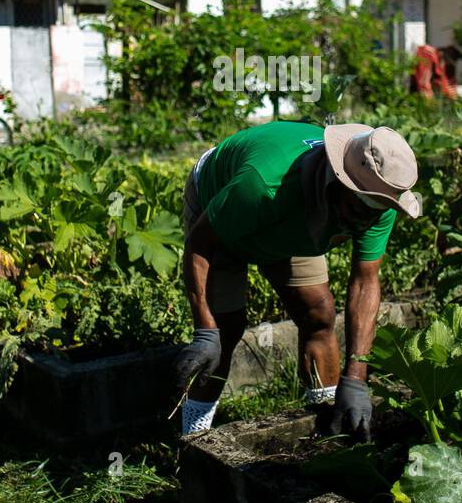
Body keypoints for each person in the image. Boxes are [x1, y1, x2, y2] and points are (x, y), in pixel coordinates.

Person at [174, 121, 421, 440]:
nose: (367, 221)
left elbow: (365, 281)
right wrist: (205, 330)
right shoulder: (263, 184)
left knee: (319, 315)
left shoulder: (378, 202)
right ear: (339, 185)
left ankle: (328, 425)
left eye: (376, 212)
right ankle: (194, 441)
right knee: (226, 329)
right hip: (222, 209)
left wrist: (356, 377)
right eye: (360, 211)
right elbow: (201, 243)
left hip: (292, 222)